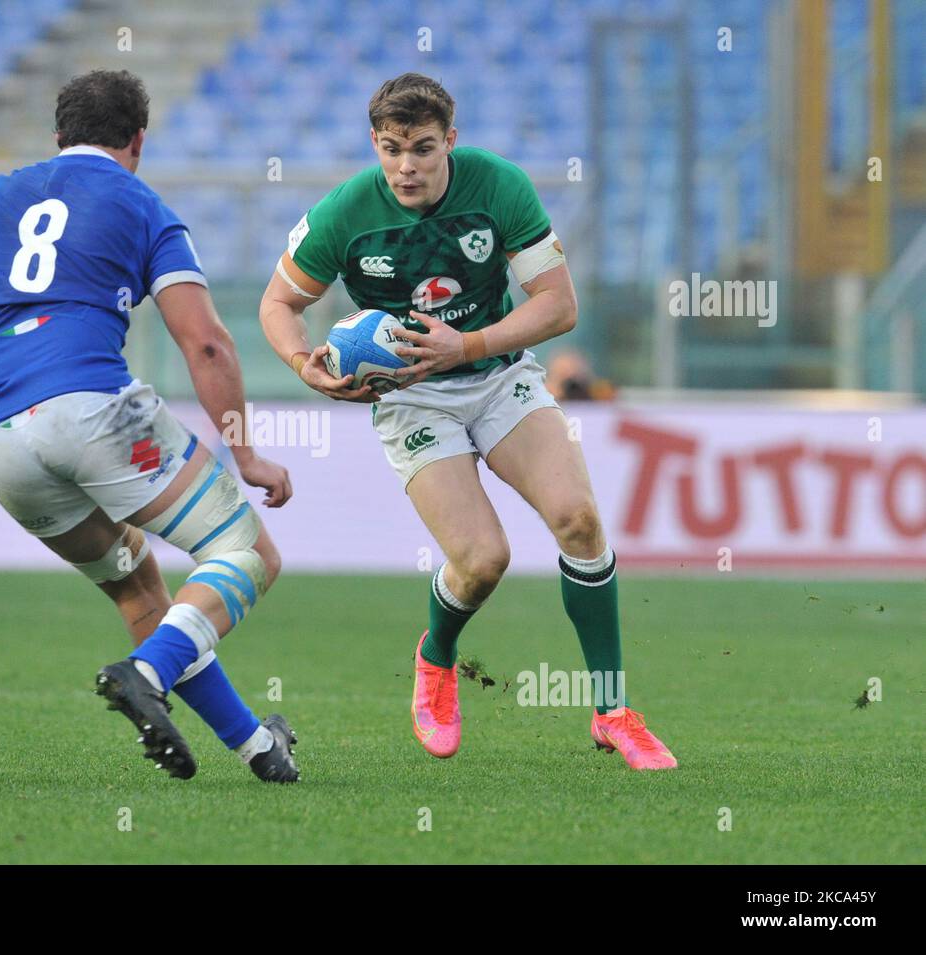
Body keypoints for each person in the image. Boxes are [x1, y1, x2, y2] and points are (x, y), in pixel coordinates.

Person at [0, 69, 299, 782]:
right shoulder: (143, 207)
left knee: (136, 585)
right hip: (91, 410)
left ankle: (257, 747)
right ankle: (146, 672)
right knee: (247, 553)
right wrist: (247, 452)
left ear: (57, 137)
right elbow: (207, 343)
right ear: (138, 141)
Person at [258, 72, 675, 770]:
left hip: (498, 375)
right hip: (412, 399)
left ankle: (612, 711)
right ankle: (437, 656)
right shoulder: (345, 214)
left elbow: (559, 305)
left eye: (423, 148)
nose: (406, 166)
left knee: (578, 519)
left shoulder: (499, 186)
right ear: (375, 143)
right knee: (483, 561)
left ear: (450, 140)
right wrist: (304, 365)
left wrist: (470, 345)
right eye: (391, 149)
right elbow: (277, 304)